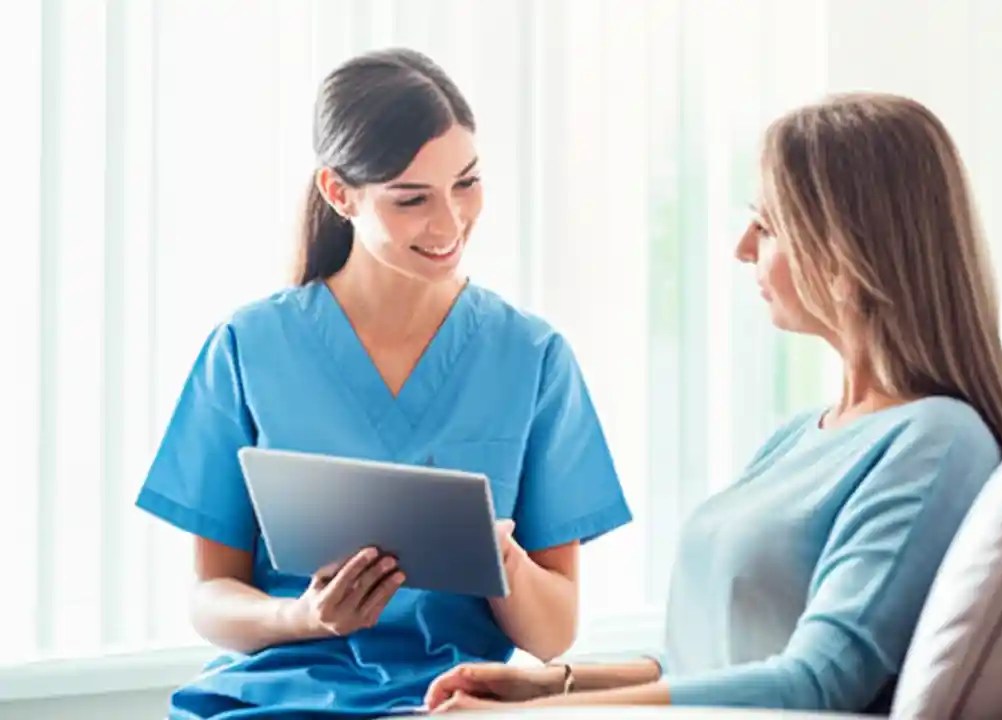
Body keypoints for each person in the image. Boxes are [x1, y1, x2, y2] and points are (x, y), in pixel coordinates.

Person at [424, 92, 1002, 715]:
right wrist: (549, 683)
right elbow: (704, 663)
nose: (741, 248)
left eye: (766, 227)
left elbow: (816, 683)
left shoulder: (938, 441)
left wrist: (538, 716)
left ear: (847, 249)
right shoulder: (800, 436)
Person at [134, 48, 632, 719]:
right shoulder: (249, 348)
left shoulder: (532, 357)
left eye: (467, 182)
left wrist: (502, 557)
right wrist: (306, 617)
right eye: (411, 199)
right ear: (340, 193)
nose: (451, 222)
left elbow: (553, 634)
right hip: (274, 700)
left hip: (453, 703)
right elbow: (211, 597)